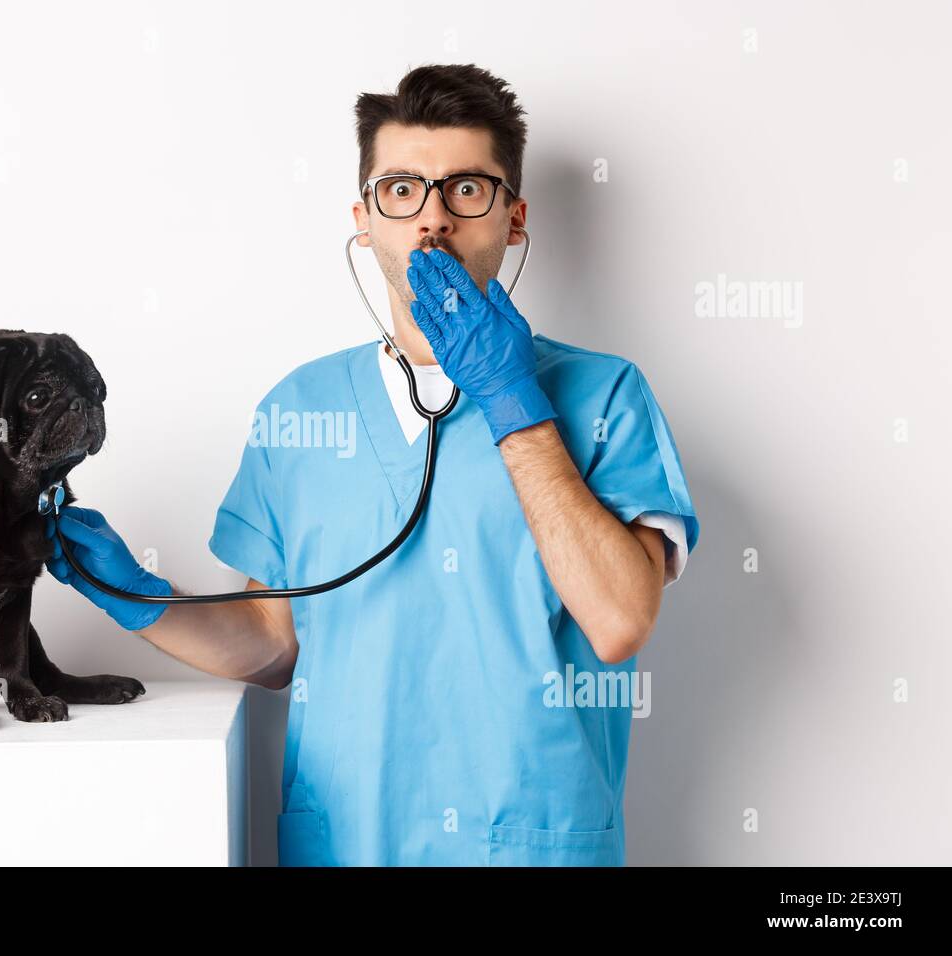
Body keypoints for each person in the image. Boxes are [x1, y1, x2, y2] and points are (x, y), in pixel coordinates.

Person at [45, 63, 699, 866]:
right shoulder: (301, 408)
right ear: (364, 218)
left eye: (467, 189)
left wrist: (511, 399)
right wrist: (134, 598)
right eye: (401, 189)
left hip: (531, 844)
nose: (432, 220)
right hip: (347, 844)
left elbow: (618, 620)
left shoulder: (605, 397)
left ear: (514, 216)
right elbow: (272, 645)